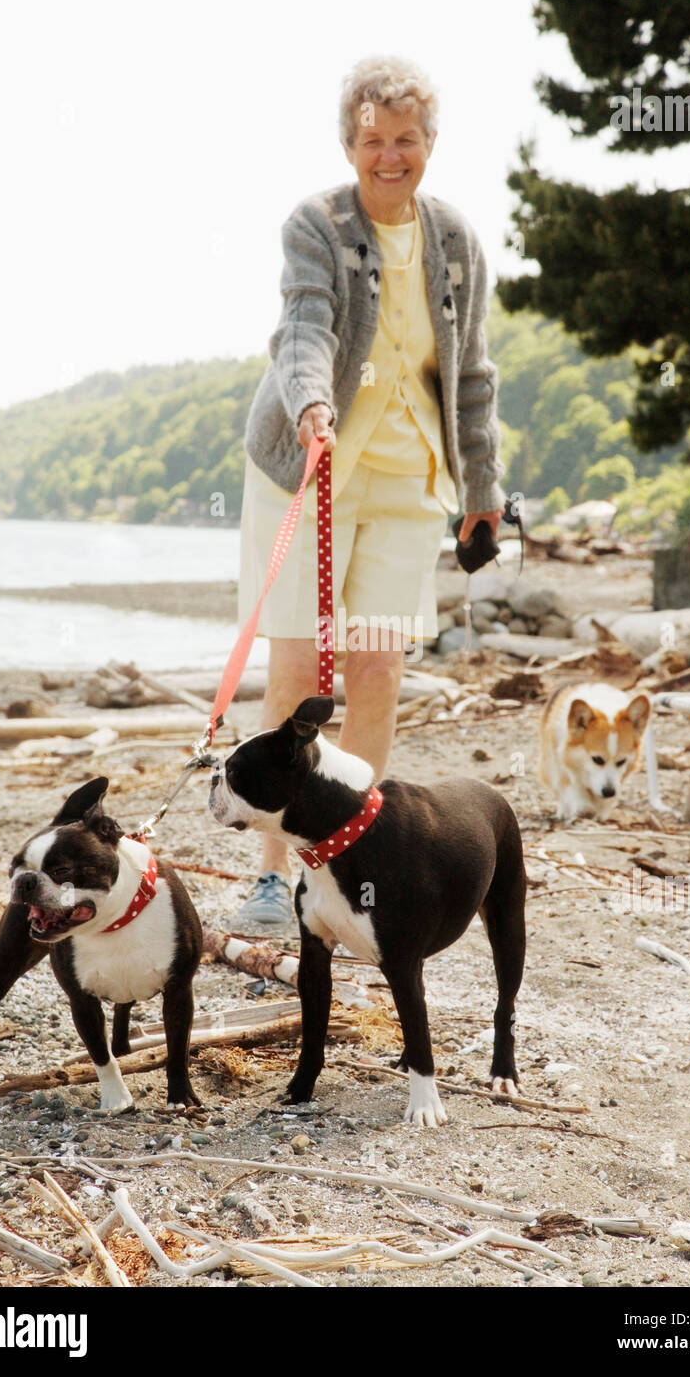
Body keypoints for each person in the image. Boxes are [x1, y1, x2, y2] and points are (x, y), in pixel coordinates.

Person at [235, 55, 505, 923]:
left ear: (430, 144)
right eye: (374, 140)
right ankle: (275, 872)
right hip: (308, 470)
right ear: (351, 142)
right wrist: (312, 403)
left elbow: (471, 378)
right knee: (300, 667)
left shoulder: (456, 239)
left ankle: (348, 861)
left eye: (407, 140)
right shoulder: (316, 224)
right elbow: (304, 326)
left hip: (405, 479)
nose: (391, 155)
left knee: (378, 669)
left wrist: (483, 489)